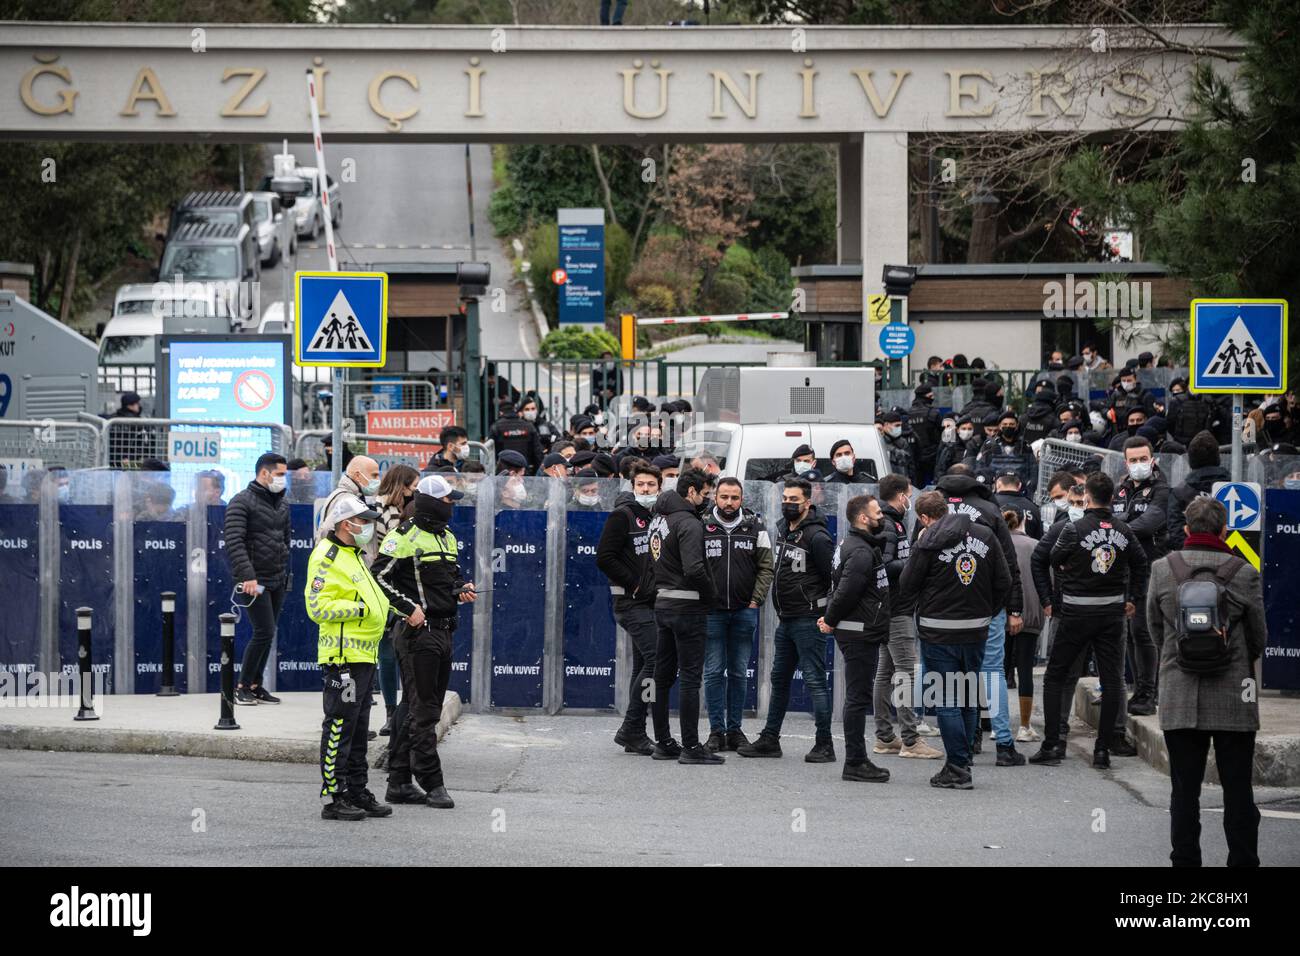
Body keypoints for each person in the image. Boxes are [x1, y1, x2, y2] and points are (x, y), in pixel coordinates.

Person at [1147, 496, 1265, 867]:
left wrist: (1173, 657)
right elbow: (1259, 635)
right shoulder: (1243, 571)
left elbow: (1153, 628)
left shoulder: (1163, 570)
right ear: (1224, 530)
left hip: (1179, 694)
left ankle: (1185, 860)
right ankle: (1243, 860)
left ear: (1186, 530)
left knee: (1184, 791)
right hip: (1235, 695)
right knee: (1237, 788)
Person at [1030, 472, 1150, 769]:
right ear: (1111, 497)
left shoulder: (1074, 528)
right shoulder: (1124, 530)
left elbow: (1054, 559)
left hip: (1076, 612)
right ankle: (1102, 750)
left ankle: (1052, 745)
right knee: (1111, 680)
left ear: (1088, 498)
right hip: (1111, 614)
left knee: (1056, 676)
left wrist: (1066, 578)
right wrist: (1132, 597)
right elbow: (1141, 563)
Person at [371, 474, 476, 809]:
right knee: (426, 711)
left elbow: (450, 577)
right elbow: (377, 577)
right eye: (447, 500)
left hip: (445, 630)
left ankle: (399, 781)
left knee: (412, 707)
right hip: (417, 634)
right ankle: (432, 781)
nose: (452, 505)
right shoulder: (402, 536)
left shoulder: (448, 537)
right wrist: (407, 608)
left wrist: (461, 588)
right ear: (431, 501)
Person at [897, 491, 1011, 790]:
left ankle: (958, 766)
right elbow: (1004, 581)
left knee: (947, 698)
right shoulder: (984, 534)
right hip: (975, 628)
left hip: (938, 629)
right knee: (969, 695)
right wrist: (987, 611)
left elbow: (907, 584)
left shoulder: (927, 539)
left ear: (924, 517)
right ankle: (965, 758)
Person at [738, 477, 835, 761]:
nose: (788, 504)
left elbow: (834, 578)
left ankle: (824, 744)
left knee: (815, 681)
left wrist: (827, 614)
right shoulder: (783, 530)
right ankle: (770, 738)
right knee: (779, 679)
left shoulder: (817, 536)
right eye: (785, 499)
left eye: (794, 500)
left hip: (809, 619)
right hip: (787, 619)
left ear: (807, 503)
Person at [308, 496, 392, 821]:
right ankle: (334, 796)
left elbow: (373, 596)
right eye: (364, 520)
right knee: (340, 726)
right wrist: (359, 610)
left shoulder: (354, 555)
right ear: (347, 524)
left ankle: (357, 788)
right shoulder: (326, 557)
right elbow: (317, 607)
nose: (368, 526)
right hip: (343, 657)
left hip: (365, 656)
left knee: (358, 729)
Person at [816, 494, 893, 782]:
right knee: (858, 698)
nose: (881, 516)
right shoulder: (860, 551)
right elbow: (846, 590)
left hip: (858, 629)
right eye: (876, 512)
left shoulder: (856, 545)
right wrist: (831, 619)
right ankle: (856, 762)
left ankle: (857, 760)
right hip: (858, 631)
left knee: (857, 697)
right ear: (863, 518)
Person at [648, 468, 721, 764]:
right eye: (704, 494)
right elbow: (694, 569)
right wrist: (712, 594)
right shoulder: (689, 523)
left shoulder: (658, 520)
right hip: (688, 607)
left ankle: (663, 742)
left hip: (663, 604)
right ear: (690, 492)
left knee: (662, 678)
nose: (707, 499)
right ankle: (691, 747)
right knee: (690, 678)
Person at [702, 477, 773, 752]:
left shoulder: (756, 526)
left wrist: (755, 601)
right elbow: (693, 565)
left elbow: (767, 567)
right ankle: (716, 732)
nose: (729, 502)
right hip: (712, 612)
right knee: (713, 672)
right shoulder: (702, 525)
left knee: (740, 673)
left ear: (741, 499)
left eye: (734, 497)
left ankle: (735, 730)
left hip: (745, 611)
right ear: (715, 498)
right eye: (724, 497)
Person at [874, 474, 942, 755]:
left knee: (886, 671)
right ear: (900, 494)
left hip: (892, 607)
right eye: (908, 494)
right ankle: (911, 740)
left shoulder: (894, 522)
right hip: (895, 608)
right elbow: (886, 566)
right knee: (907, 673)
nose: (910, 500)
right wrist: (916, 552)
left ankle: (885, 737)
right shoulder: (889, 525)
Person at [597, 460, 661, 755]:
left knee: (643, 664)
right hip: (630, 602)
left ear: (660, 488)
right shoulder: (622, 516)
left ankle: (634, 730)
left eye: (650, 485)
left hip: (651, 602)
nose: (645, 489)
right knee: (656, 660)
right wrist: (634, 582)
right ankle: (632, 728)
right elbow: (605, 557)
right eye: (641, 485)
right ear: (633, 487)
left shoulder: (657, 518)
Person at [224, 452, 291, 706]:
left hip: (277, 578)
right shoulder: (241, 501)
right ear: (264, 473)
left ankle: (255, 685)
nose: (284, 479)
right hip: (254, 579)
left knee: (269, 632)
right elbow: (234, 541)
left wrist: (285, 571)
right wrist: (248, 576)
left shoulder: (283, 504)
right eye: (280, 474)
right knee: (263, 631)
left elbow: (285, 540)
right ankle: (242, 686)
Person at [1113, 436, 1170, 716]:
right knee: (1129, 632)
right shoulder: (1121, 490)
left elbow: (1152, 521)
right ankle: (1138, 688)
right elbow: (1107, 517)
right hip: (1125, 570)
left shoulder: (1160, 488)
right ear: (1126, 462)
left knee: (1142, 630)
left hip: (1151, 568)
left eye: (1142, 459)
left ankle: (1149, 692)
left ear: (1152, 459)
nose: (1138, 465)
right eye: (1133, 460)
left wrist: (1119, 528)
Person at [370, 464, 420, 737]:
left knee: (398, 655)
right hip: (384, 588)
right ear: (401, 486)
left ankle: (400, 712)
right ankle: (392, 713)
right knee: (387, 655)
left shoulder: (403, 512)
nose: (415, 492)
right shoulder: (379, 512)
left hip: (401, 589)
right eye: (413, 487)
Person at [1002, 509, 1044, 742]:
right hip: (1030, 615)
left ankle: (996, 724)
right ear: (1025, 520)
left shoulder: (998, 544)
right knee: (1025, 669)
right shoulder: (1037, 545)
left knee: (997, 669)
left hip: (1001, 615)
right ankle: (1025, 726)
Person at [1168, 432, 1231, 549]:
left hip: (1190, 560)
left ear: (1191, 460)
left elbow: (1176, 534)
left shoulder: (1180, 492)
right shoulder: (1235, 488)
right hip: (1231, 556)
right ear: (1218, 457)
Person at [316, 455, 380, 542]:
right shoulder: (346, 499)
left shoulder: (351, 496)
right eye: (374, 475)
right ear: (358, 476)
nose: (378, 479)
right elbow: (326, 530)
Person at [975, 409, 1037, 494]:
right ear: (1000, 426)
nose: (1008, 426)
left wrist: (1029, 488)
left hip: (1019, 490)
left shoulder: (1024, 446)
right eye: (1005, 424)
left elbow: (1033, 469)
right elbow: (980, 467)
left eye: (1011, 424)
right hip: (995, 490)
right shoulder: (990, 445)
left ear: (1017, 425)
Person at [489, 400, 544, 471]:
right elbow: (538, 453)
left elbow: (491, 453)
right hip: (524, 470)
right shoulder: (529, 426)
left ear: (501, 413)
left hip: (504, 471)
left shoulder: (496, 427)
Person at [908, 384, 944, 486]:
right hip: (933, 455)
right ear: (926, 396)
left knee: (917, 485)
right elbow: (943, 433)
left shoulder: (909, 413)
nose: (932, 398)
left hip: (915, 456)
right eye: (931, 395)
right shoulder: (934, 413)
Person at [993, 471, 1042, 540]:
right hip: (1026, 548)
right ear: (1019, 485)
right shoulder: (1032, 508)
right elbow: (1038, 538)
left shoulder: (990, 503)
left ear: (998, 484)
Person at [877, 411, 916, 485]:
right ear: (886, 424)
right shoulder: (880, 441)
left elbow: (910, 466)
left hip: (902, 483)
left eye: (900, 425)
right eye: (896, 425)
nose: (899, 428)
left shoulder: (903, 442)